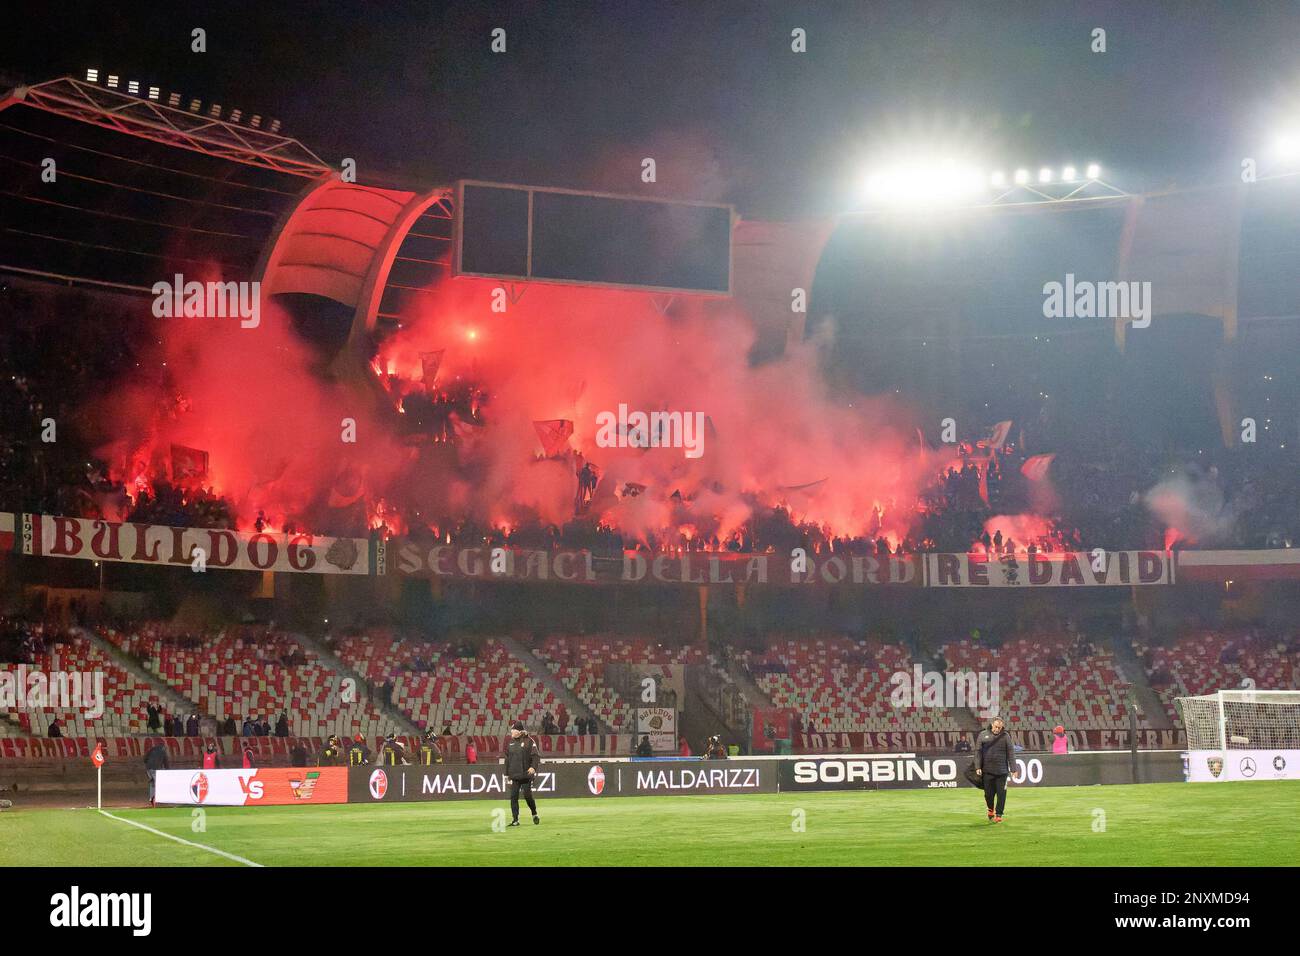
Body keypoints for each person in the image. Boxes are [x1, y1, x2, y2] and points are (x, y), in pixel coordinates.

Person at [974, 716, 1014, 823]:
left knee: (1002, 794)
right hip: (987, 771)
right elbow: (977, 751)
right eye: (996, 727)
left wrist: (1014, 769)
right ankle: (990, 809)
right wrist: (977, 766)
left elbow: (1011, 753)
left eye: (999, 728)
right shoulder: (982, 735)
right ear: (992, 725)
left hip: (1002, 771)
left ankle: (999, 814)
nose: (997, 729)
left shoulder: (1006, 736)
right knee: (988, 794)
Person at [503, 720, 541, 826]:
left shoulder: (529, 741)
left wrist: (533, 767)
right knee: (513, 797)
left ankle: (534, 813)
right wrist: (506, 774)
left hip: (526, 775)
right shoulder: (510, 743)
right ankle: (515, 820)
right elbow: (507, 760)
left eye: (513, 730)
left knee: (527, 796)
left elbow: (535, 756)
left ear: (519, 731)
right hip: (514, 775)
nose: (511, 732)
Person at [143, 742, 169, 807]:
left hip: (148, 768)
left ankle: (152, 798)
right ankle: (159, 798)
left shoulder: (152, 749)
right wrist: (167, 771)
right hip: (156, 769)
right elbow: (166, 762)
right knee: (158, 783)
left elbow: (145, 759)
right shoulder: (163, 751)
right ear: (164, 747)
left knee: (152, 783)